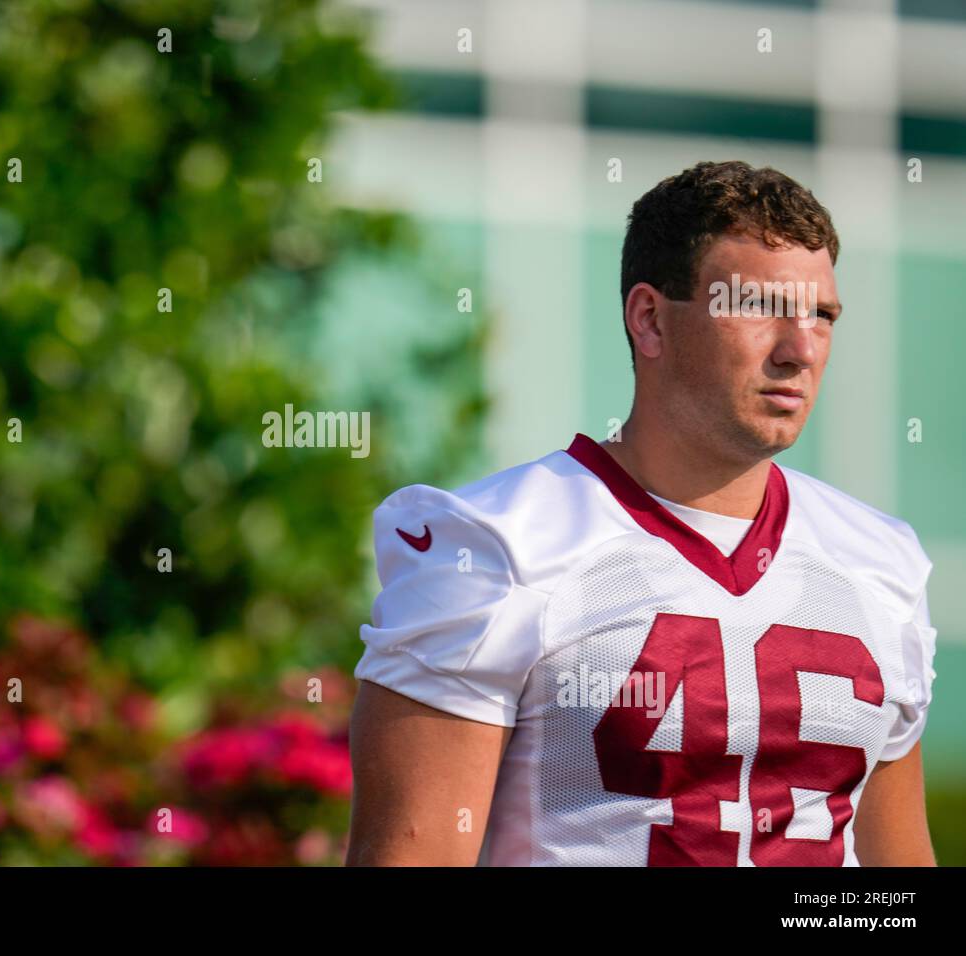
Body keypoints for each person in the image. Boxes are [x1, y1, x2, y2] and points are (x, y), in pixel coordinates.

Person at [345, 161, 937, 866]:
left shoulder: (880, 563)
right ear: (649, 319)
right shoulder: (498, 547)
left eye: (822, 316)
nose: (800, 349)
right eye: (757, 306)